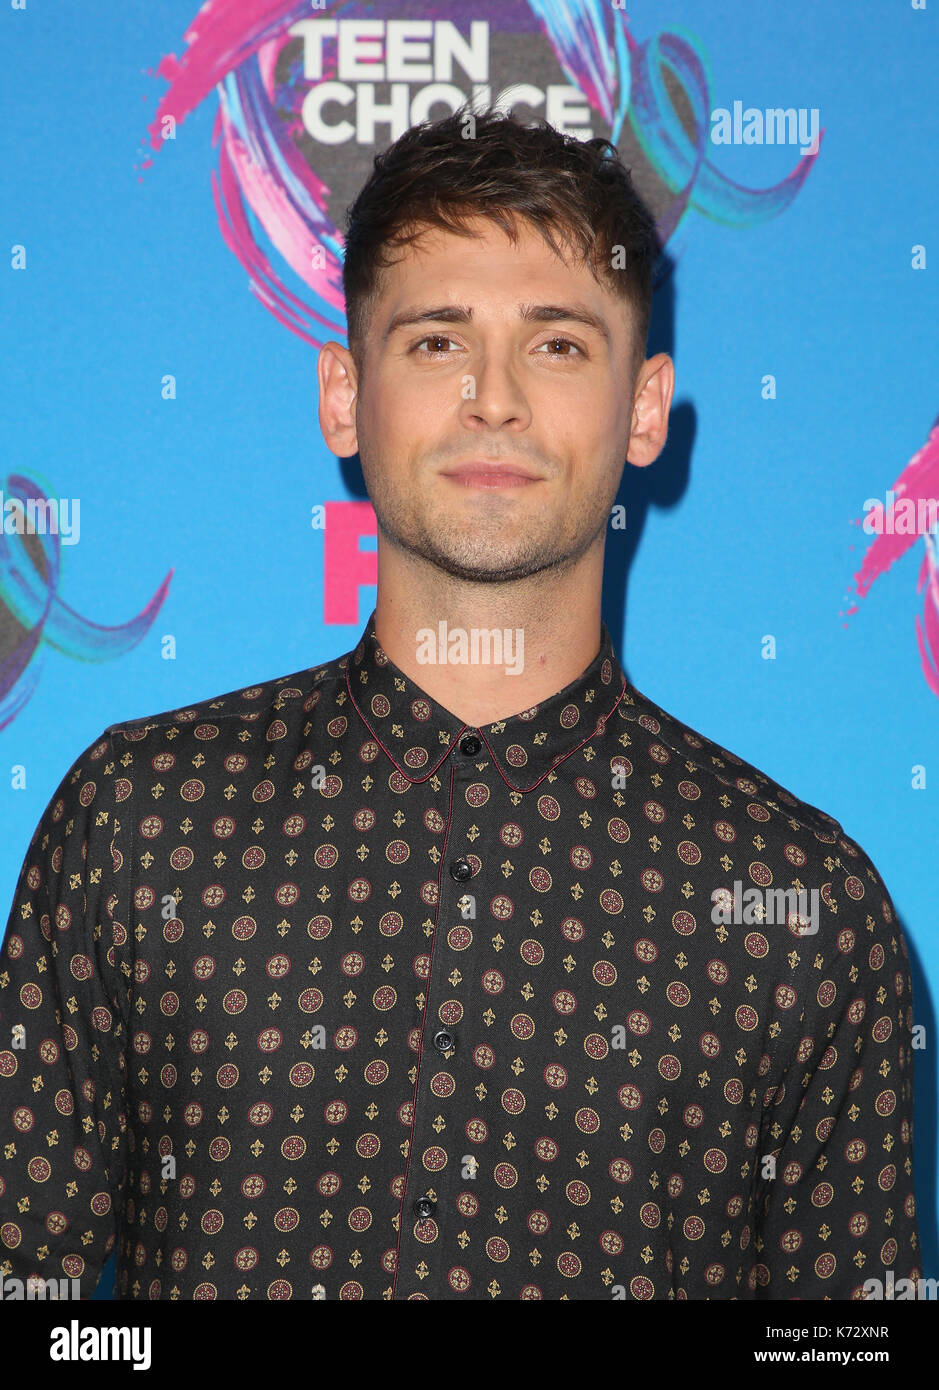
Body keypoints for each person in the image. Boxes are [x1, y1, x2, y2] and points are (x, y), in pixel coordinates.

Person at [0, 107, 919, 1302]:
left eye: (556, 346)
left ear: (645, 409)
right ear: (344, 394)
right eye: (437, 342)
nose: (493, 398)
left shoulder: (805, 907)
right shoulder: (137, 822)